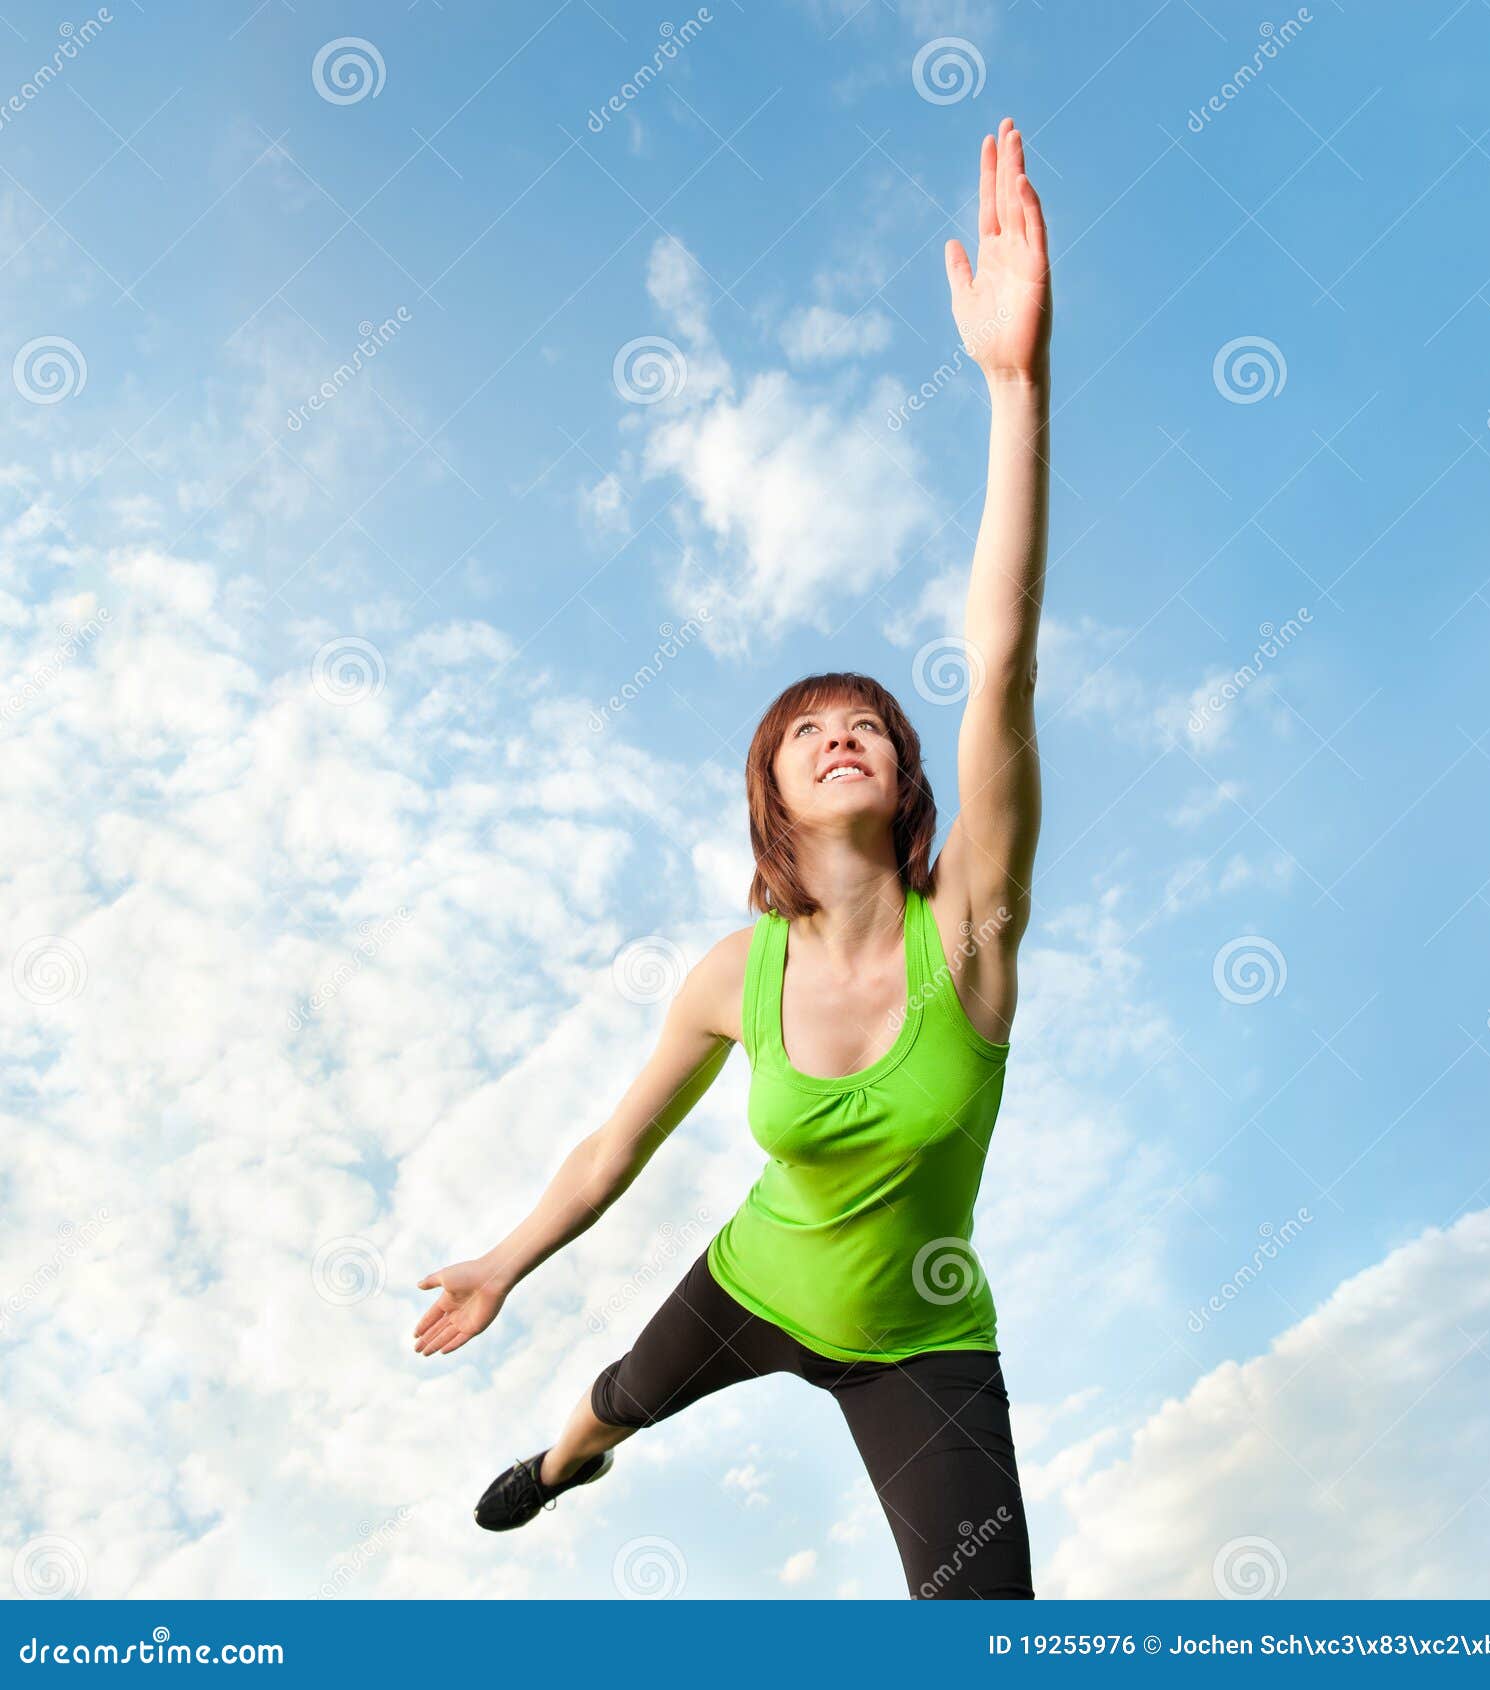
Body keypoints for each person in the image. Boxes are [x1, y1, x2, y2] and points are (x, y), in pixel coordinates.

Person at [413, 117, 1052, 1600]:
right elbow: (614, 1147)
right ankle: (571, 1459)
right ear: (769, 789)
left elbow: (1004, 661)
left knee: (987, 1626)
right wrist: (503, 1262)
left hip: (921, 1338)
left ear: (905, 782)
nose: (843, 733)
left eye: (870, 725)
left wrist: (1015, 387)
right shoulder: (729, 973)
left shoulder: (974, 930)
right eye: (806, 727)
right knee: (617, 1398)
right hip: (753, 1283)